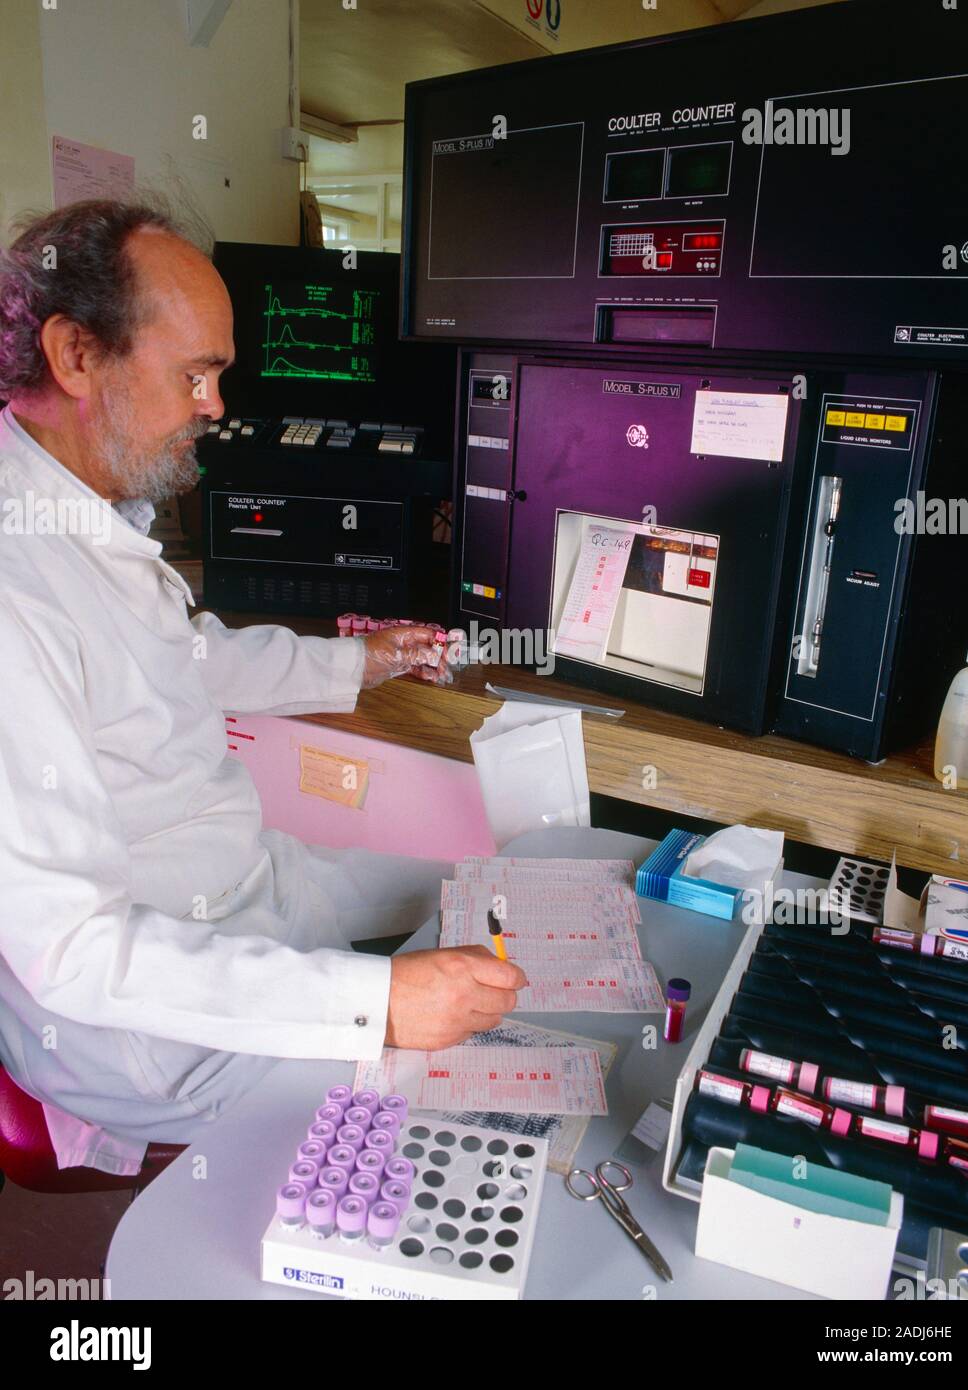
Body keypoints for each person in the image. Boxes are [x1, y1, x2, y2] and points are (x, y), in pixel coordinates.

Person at [0, 198, 525, 1173]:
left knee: (490, 887)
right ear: (75, 356)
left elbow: (185, 655)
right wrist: (381, 1004)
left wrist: (353, 663)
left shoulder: (84, 511)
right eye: (193, 374)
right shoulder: (12, 587)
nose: (213, 405)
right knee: (478, 1103)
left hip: (246, 889)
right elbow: (73, 953)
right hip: (151, 1022)